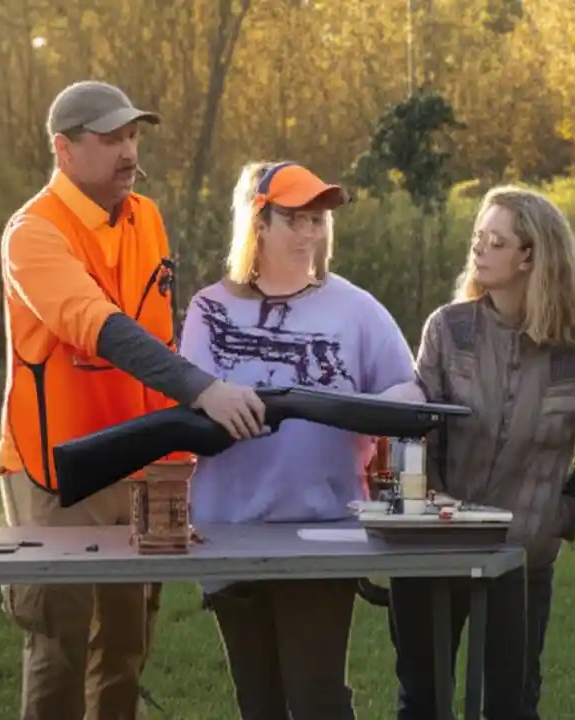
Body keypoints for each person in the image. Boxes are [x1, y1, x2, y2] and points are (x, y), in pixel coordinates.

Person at [0, 80, 265, 720]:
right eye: (110, 138)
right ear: (64, 151)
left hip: (139, 467)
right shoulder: (32, 234)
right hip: (54, 470)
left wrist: (173, 453)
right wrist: (205, 392)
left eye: (133, 136)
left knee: (126, 643)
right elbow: (104, 326)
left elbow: (159, 333)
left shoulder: (146, 216)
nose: (128, 151)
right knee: (56, 645)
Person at [178, 160, 417, 720]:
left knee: (318, 701)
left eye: (319, 221)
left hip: (322, 530)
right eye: (297, 220)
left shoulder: (356, 308)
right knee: (258, 704)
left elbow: (411, 394)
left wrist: (354, 411)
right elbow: (189, 410)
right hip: (228, 529)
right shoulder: (210, 309)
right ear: (258, 222)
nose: (312, 233)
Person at [383, 185, 575, 719]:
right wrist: (414, 509)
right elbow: (412, 431)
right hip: (434, 551)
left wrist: (567, 511)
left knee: (511, 708)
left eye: (496, 241)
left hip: (521, 557)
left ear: (531, 256)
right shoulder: (449, 328)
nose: (479, 250)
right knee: (422, 705)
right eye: (478, 237)